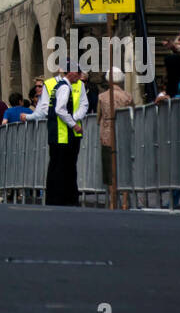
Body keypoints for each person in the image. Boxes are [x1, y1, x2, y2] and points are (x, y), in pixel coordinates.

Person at [27, 65, 89, 206]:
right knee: (64, 167)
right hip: (63, 134)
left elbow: (83, 104)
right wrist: (73, 123)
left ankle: (60, 198)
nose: (80, 76)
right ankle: (65, 199)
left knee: (61, 167)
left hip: (63, 134)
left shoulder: (62, 86)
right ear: (72, 72)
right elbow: (60, 109)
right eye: (78, 73)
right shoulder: (64, 87)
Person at [97, 69, 133, 208]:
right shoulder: (127, 96)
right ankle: (125, 201)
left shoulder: (102, 97)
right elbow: (132, 113)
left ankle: (112, 201)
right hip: (124, 134)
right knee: (124, 166)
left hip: (107, 135)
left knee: (110, 168)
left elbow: (98, 117)